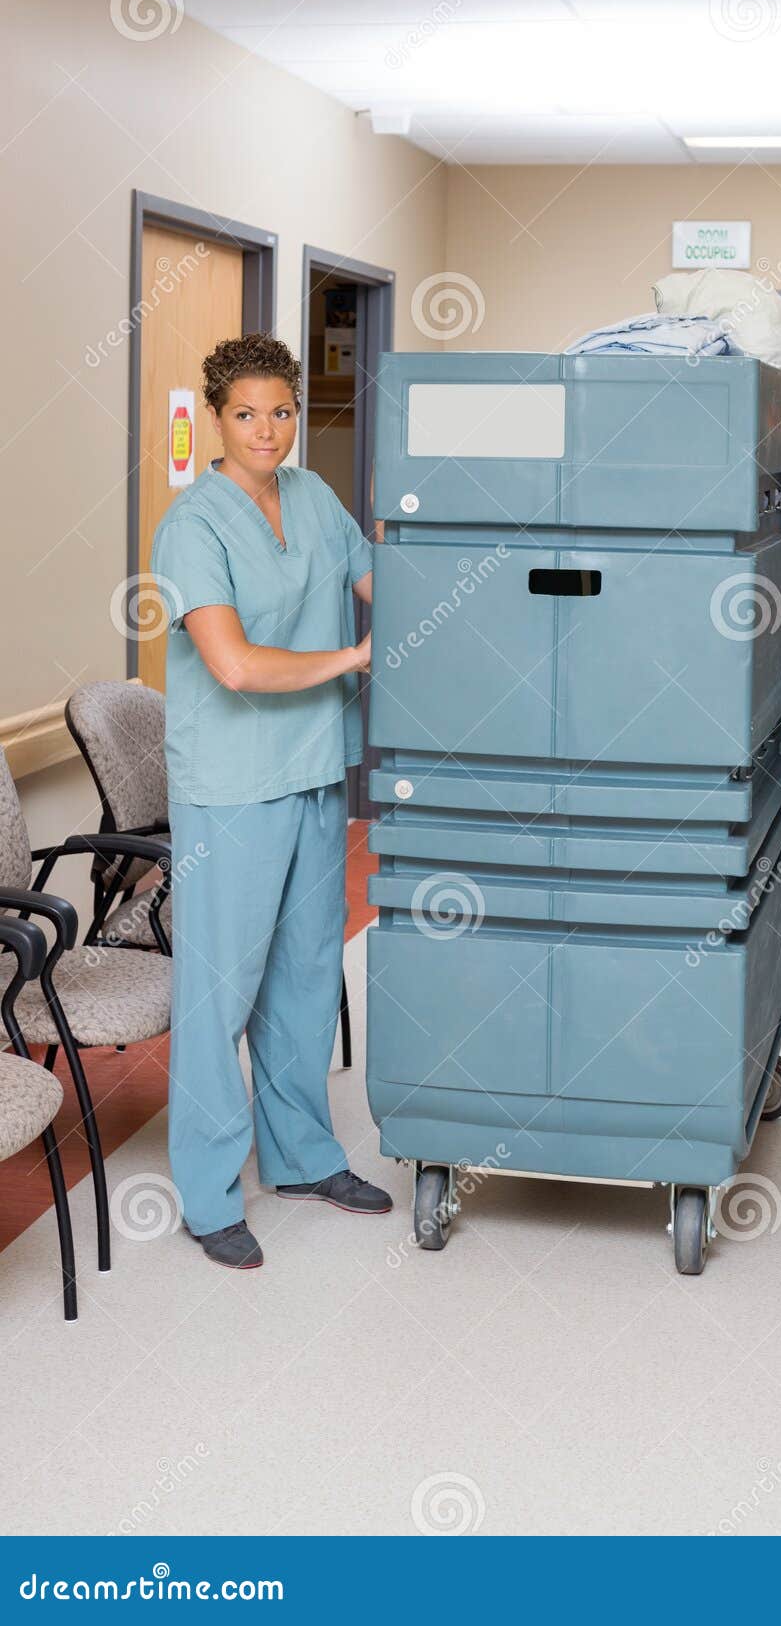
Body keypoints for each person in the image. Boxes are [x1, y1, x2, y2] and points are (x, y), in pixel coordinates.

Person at [151, 333, 392, 1268]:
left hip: (316, 769)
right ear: (218, 416)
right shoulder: (192, 525)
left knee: (302, 976)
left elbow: (383, 584)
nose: (267, 429)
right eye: (247, 413)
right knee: (222, 991)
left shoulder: (316, 497)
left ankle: (300, 1158)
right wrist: (352, 657)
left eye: (283, 411)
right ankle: (209, 1195)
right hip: (232, 785)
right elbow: (235, 664)